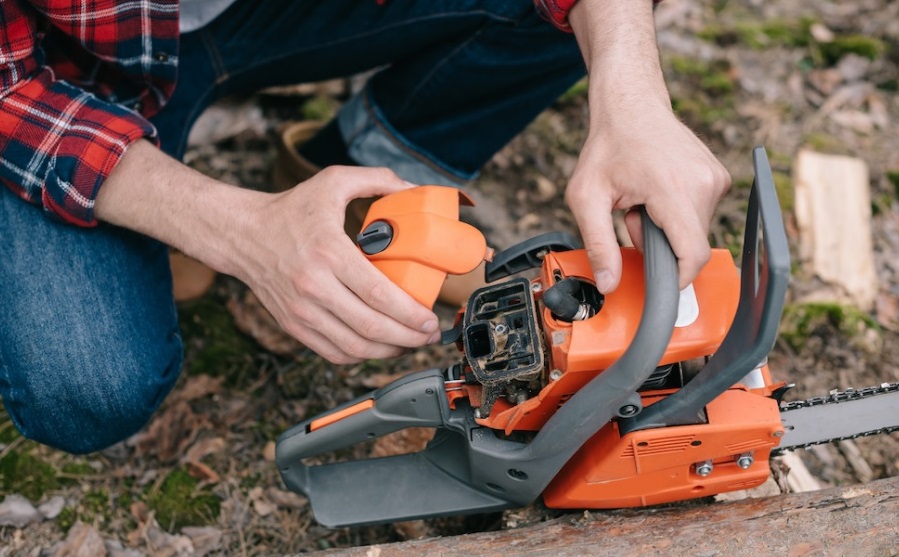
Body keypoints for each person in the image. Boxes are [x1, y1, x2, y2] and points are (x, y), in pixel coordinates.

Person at [0, 0, 729, 454]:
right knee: (88, 383)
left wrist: (633, 94)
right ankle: (180, 225)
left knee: (583, 16)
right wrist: (230, 228)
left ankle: (359, 180)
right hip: (67, 67)